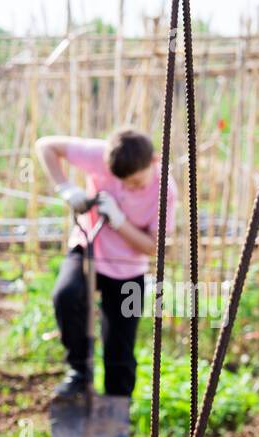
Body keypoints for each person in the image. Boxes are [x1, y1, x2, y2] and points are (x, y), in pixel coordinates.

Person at [35, 128, 178, 401]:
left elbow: (154, 247)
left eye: (136, 183)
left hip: (128, 268)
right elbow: (47, 146)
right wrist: (64, 187)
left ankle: (115, 416)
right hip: (88, 248)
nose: (129, 188)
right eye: (122, 181)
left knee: (120, 351)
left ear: (154, 161)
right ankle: (79, 372)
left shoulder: (166, 190)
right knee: (66, 297)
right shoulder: (103, 155)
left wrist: (119, 220)